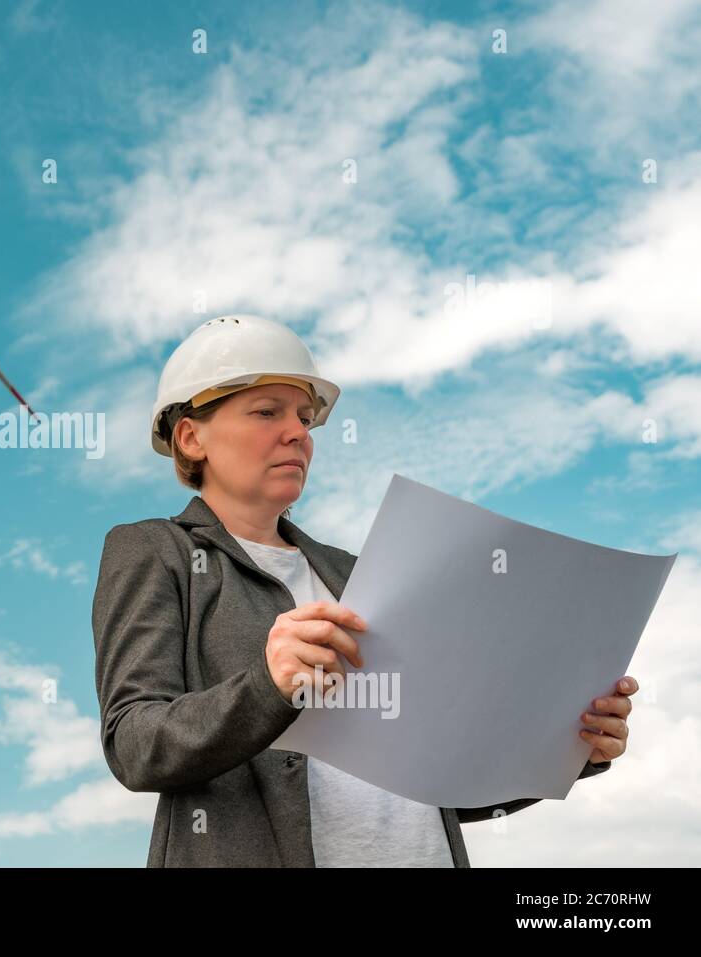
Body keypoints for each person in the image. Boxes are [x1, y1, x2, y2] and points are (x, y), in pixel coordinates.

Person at [91, 313, 635, 867]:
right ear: (191, 435)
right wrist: (267, 686)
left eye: (304, 417)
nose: (298, 432)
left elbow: (441, 783)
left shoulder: (357, 572)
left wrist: (567, 749)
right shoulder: (157, 551)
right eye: (266, 412)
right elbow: (135, 744)